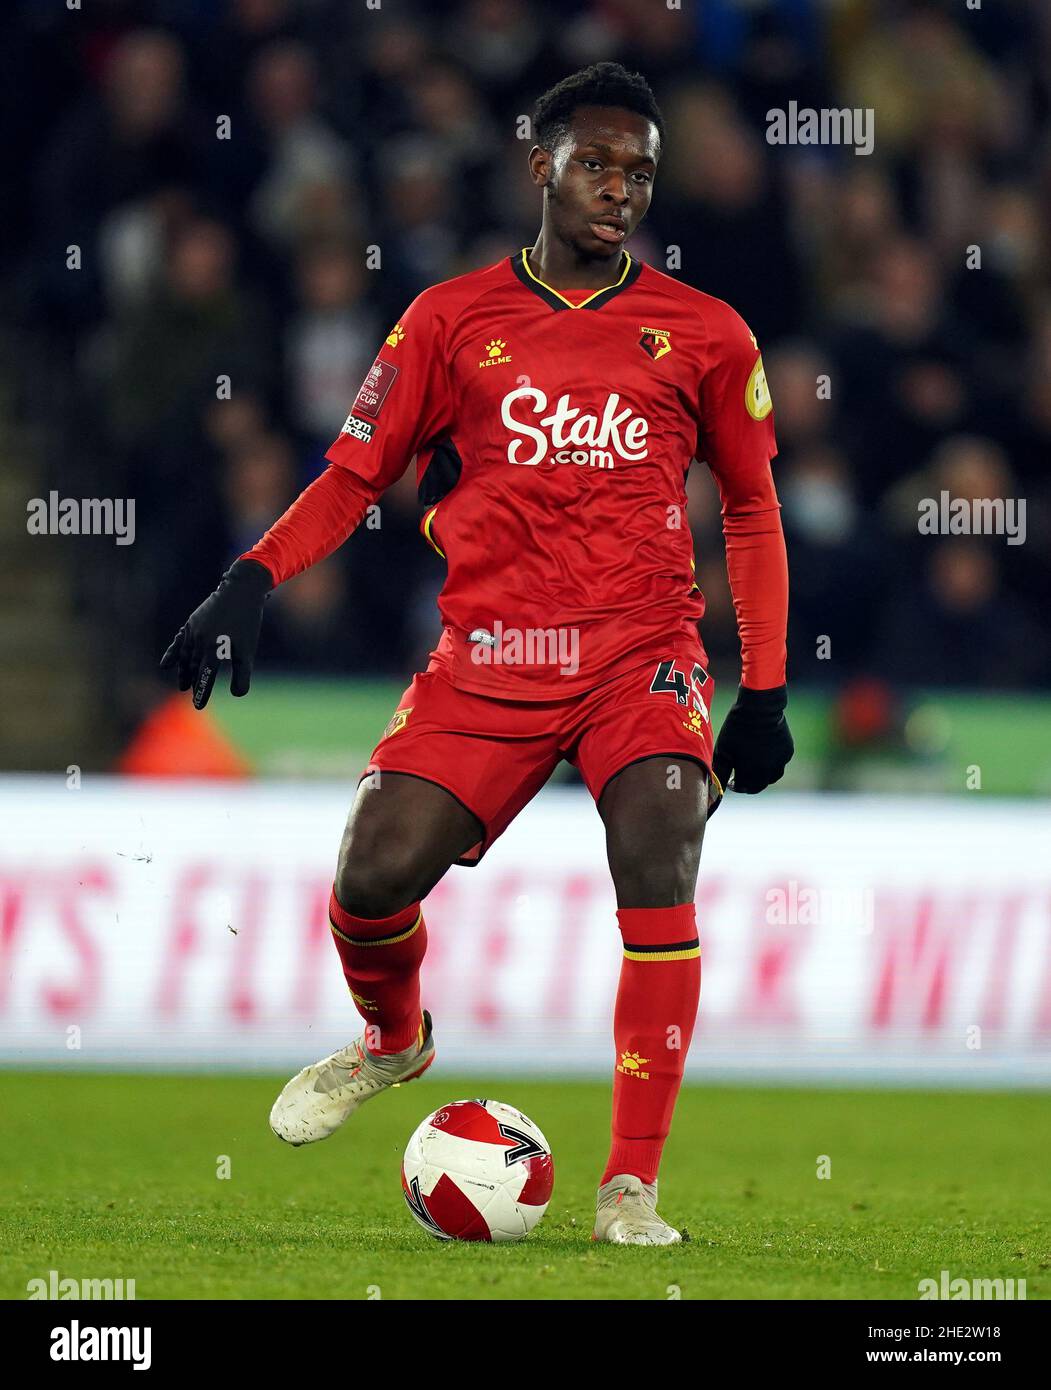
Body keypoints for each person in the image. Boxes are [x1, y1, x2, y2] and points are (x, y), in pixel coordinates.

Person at [161, 62, 793, 1245]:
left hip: (637, 652)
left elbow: (752, 512)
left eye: (640, 172)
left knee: (662, 840)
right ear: (538, 165)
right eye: (596, 164)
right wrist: (249, 578)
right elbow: (354, 477)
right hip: (489, 654)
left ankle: (628, 1189)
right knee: (370, 875)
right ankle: (394, 1040)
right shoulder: (449, 322)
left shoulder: (704, 334)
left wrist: (761, 685)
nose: (619, 189)